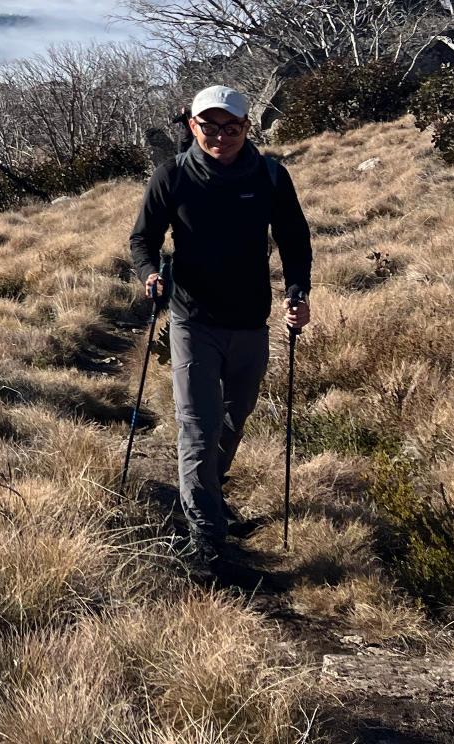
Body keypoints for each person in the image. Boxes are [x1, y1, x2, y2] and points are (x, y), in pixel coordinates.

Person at [128, 84, 312, 566]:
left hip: (251, 317)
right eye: (209, 127)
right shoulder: (172, 176)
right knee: (198, 426)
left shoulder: (271, 175)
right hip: (192, 319)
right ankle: (207, 536)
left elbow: (294, 238)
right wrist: (149, 274)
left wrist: (299, 291)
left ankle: (205, 494)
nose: (220, 136)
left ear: (247, 127)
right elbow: (142, 239)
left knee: (236, 414)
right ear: (193, 126)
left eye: (231, 127)